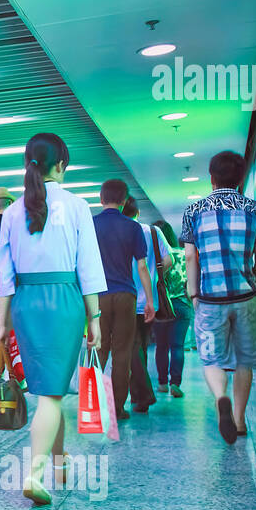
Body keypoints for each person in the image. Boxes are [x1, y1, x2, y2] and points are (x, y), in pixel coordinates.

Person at [0, 133, 106, 506]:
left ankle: (58, 461)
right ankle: (34, 473)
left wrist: (2, 323)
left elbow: (5, 274)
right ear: (62, 165)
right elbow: (88, 266)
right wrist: (95, 318)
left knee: (48, 388)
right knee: (52, 394)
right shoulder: (77, 206)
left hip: (26, 302)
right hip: (64, 301)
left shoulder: (11, 212)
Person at [181, 151, 256, 444]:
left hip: (210, 298)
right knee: (244, 359)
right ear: (241, 177)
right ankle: (240, 419)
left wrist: (193, 292)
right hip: (246, 295)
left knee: (211, 358)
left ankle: (220, 397)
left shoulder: (193, 211)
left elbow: (190, 258)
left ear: (211, 178)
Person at [92, 180, 157, 420]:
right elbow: (142, 267)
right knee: (122, 353)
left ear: (101, 198)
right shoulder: (133, 228)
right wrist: (149, 300)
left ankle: (96, 404)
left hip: (97, 297)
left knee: (98, 351)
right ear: (123, 201)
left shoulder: (90, 225)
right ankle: (118, 408)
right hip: (126, 296)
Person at [124, 196, 169, 413]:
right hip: (151, 300)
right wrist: (154, 276)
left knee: (133, 348)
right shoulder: (153, 232)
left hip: (128, 298)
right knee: (140, 347)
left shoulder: (120, 233)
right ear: (138, 212)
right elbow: (169, 260)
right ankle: (138, 397)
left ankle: (143, 394)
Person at [152, 220, 191, 398]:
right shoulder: (183, 254)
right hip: (182, 304)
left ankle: (161, 383)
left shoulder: (155, 257)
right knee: (177, 346)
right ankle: (175, 382)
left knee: (161, 346)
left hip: (162, 306)